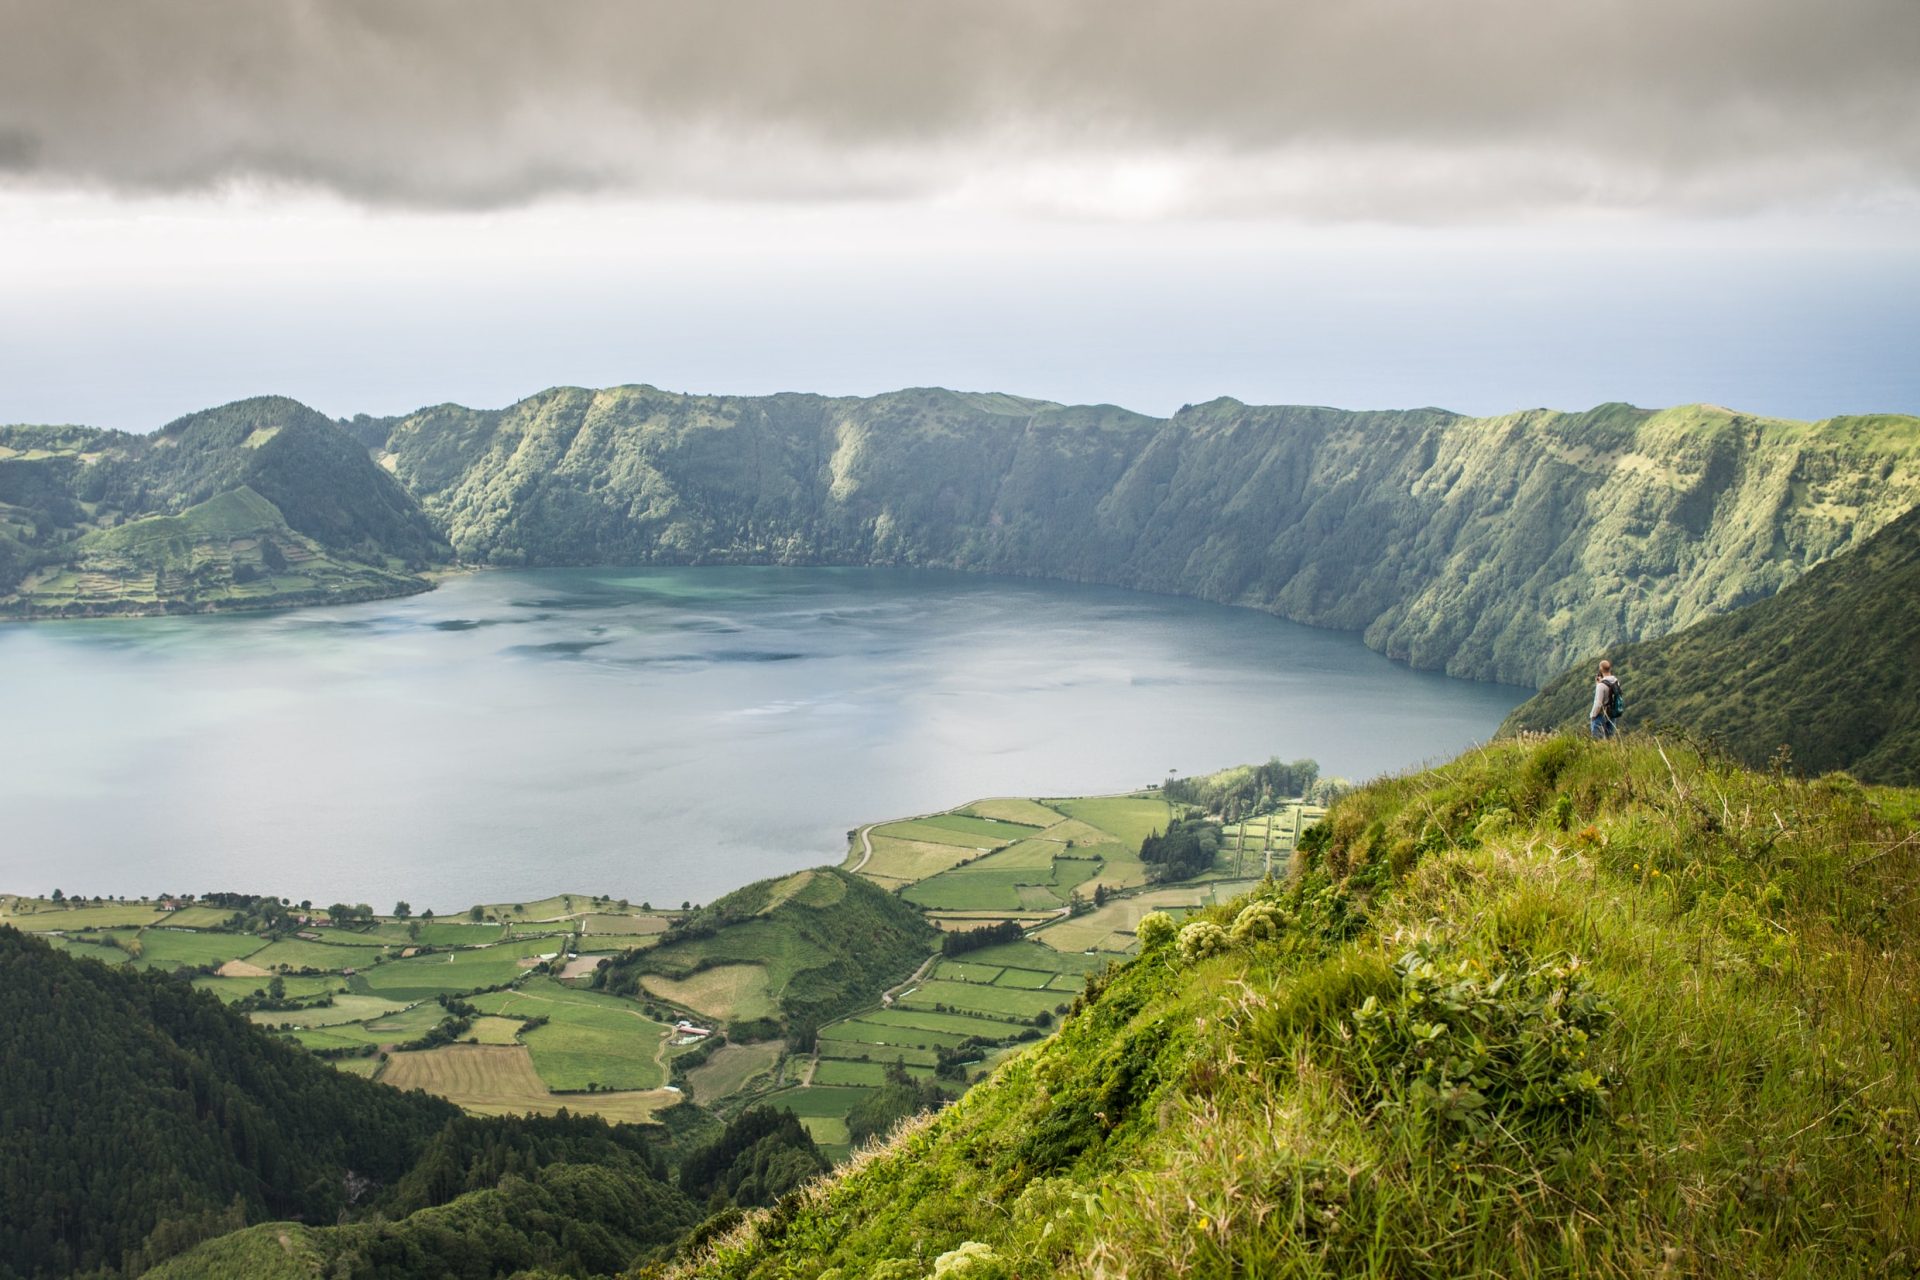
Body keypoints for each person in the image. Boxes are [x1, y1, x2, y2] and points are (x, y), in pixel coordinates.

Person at [1589, 659, 1621, 739]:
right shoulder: (1616, 681)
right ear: (1610, 668)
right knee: (1610, 739)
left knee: (1597, 741)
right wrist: (1600, 683)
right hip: (1612, 713)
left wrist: (1593, 715)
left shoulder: (1601, 685)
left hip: (1601, 714)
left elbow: (1598, 703)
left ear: (1600, 669)